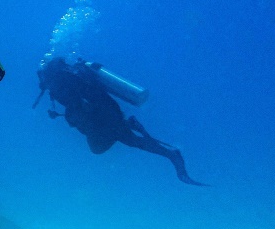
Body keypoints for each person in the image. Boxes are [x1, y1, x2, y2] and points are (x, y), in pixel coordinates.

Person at [34, 57, 206, 186]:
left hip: (102, 120)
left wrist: (70, 116)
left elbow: (80, 108)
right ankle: (167, 151)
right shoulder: (74, 77)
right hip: (109, 114)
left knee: (102, 147)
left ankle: (166, 150)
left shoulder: (63, 85)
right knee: (131, 141)